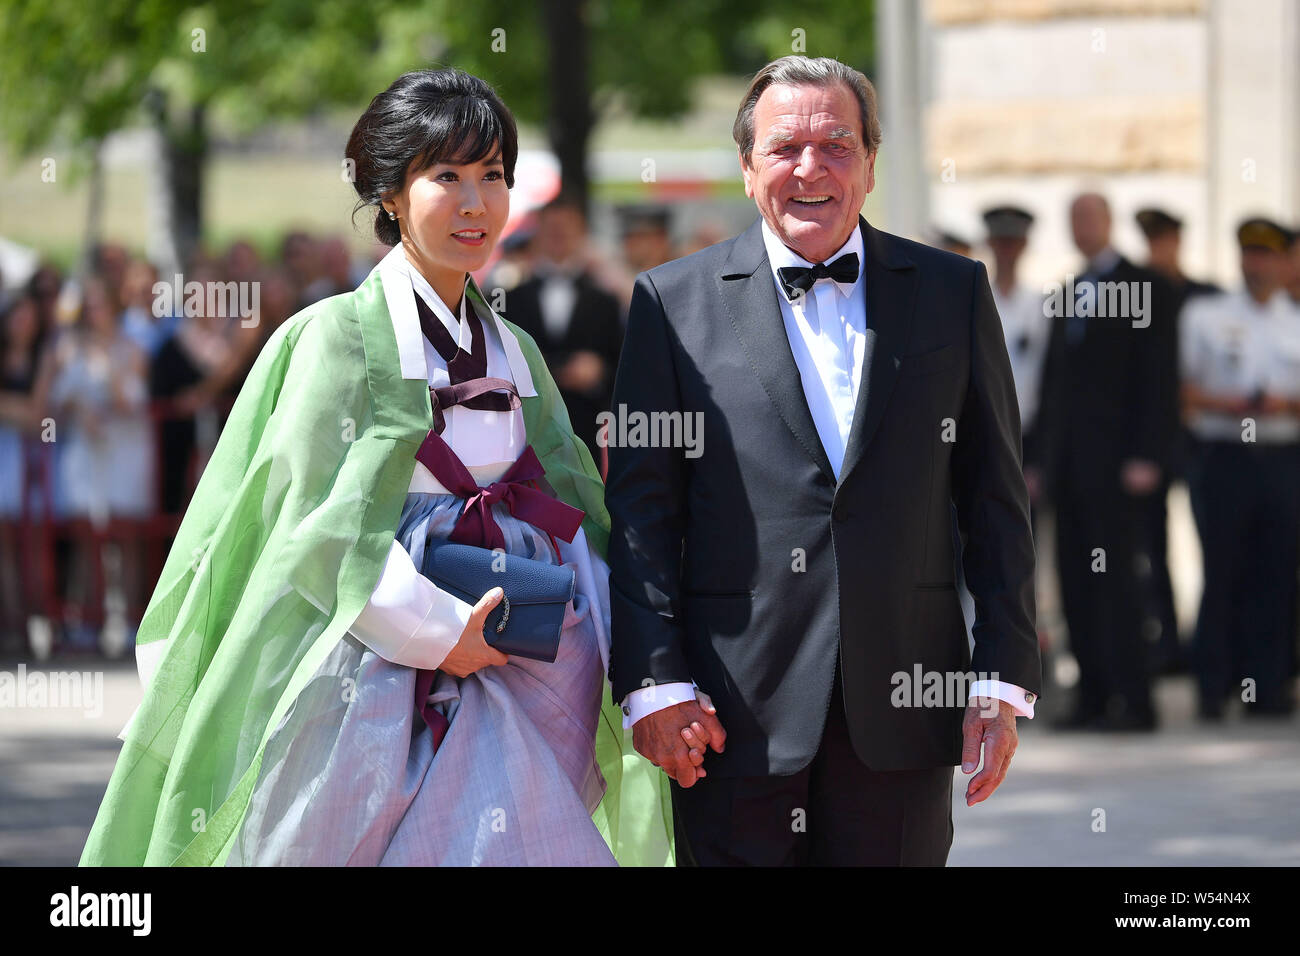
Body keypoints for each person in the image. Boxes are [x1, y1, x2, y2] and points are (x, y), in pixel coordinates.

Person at [80, 68, 671, 866]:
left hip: (514, 648)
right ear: (390, 194)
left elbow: (574, 505)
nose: (476, 203)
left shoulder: (515, 346)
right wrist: (437, 632)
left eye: (493, 176)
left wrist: (641, 663)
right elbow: (316, 524)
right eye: (447, 177)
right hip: (370, 659)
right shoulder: (331, 336)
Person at [606, 55, 1041, 866]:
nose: (811, 169)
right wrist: (653, 681)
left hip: (908, 707)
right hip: (728, 713)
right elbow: (642, 513)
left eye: (837, 145)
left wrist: (1000, 677)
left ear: (871, 164)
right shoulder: (670, 303)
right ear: (746, 168)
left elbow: (995, 498)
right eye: (784, 149)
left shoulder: (954, 291)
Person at [1036, 193, 1177, 732]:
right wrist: (1042, 461)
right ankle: (1092, 696)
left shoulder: (1147, 286)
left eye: (1090, 218)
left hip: (1121, 467)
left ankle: (1134, 699)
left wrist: (1148, 453)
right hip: (1070, 469)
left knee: (1120, 582)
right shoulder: (1067, 293)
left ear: (1108, 222)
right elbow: (1054, 387)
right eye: (1073, 220)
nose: (1082, 228)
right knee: (1075, 580)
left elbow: (1158, 377)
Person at [1179, 217, 1300, 719]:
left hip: (1281, 455)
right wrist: (1232, 404)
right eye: (1250, 252)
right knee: (1222, 570)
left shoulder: (1293, 319)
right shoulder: (1206, 314)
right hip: (1225, 453)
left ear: (1284, 261)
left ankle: (1267, 688)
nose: (1258, 263)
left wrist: (1284, 406)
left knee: (1275, 574)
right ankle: (1213, 687)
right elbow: (1182, 390)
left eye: (1268, 254)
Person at [1134, 206, 1220, 672]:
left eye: (1166, 239)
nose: (1159, 250)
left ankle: (1209, 646)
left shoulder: (1206, 295)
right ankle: (1165, 641)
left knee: (1216, 543)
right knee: (1153, 545)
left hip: (1205, 438)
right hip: (1163, 441)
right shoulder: (1139, 292)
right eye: (1153, 241)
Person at [504, 195, 624, 462]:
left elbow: (624, 368)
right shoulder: (507, 299)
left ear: (581, 232)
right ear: (537, 234)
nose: (558, 235)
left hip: (585, 431)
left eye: (566, 228)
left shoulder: (606, 301)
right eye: (551, 228)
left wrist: (599, 372)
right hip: (524, 433)